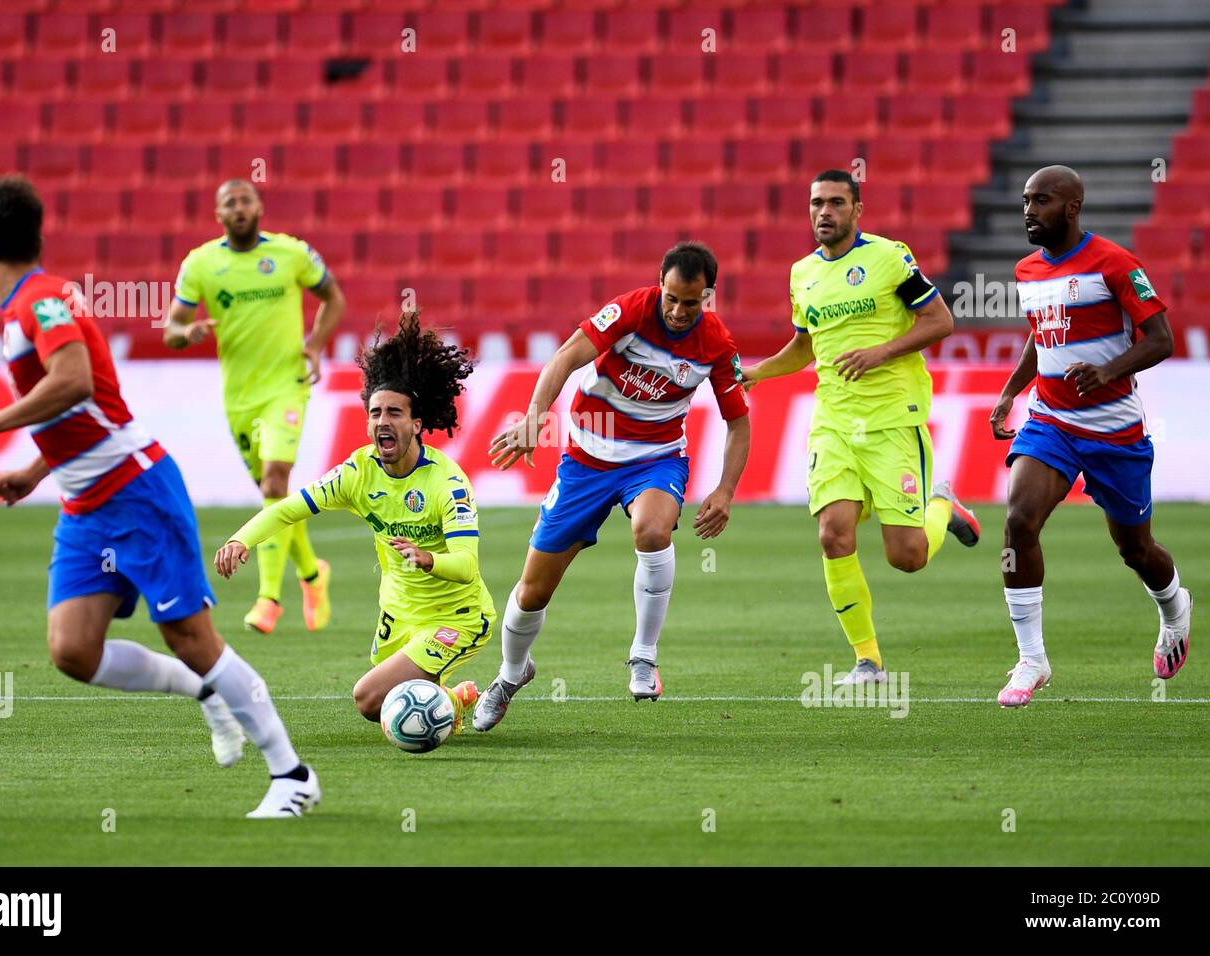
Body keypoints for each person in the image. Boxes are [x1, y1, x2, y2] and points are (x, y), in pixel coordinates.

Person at [0, 175, 318, 818]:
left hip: (136, 492)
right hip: (85, 504)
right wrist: (35, 468)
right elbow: (87, 407)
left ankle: (292, 774)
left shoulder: (43, 301)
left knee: (191, 636)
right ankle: (205, 692)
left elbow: (76, 380)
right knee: (73, 649)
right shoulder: (35, 302)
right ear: (38, 234)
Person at [475, 241, 751, 730]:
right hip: (586, 458)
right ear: (659, 284)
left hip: (655, 459)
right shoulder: (630, 310)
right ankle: (510, 675)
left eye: (691, 302)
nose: (679, 310)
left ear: (707, 296)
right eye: (671, 297)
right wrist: (534, 419)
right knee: (533, 590)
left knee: (651, 531)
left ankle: (644, 655)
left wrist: (725, 490)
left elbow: (738, 423)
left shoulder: (716, 344)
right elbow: (563, 358)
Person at [743, 170, 979, 685]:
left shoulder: (890, 258)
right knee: (833, 534)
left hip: (893, 420)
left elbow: (941, 322)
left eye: (835, 203)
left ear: (857, 210)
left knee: (907, 557)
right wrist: (760, 370)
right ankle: (867, 660)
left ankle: (944, 506)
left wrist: (881, 352)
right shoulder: (801, 273)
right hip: (832, 423)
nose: (823, 212)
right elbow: (805, 346)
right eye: (815, 204)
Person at [215, 310, 490, 732]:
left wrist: (427, 558)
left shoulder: (447, 484)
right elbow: (288, 508)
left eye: (395, 412)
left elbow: (467, 566)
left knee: (368, 698)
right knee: (383, 706)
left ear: (417, 424)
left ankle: (449, 703)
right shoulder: (356, 474)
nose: (383, 421)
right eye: (375, 412)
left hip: (457, 616)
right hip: (399, 613)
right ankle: (454, 698)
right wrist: (241, 540)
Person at [989, 164, 1191, 707]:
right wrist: (1011, 391)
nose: (1029, 211)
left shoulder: (1115, 263)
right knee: (1018, 520)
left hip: (1115, 430)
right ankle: (1031, 660)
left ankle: (1174, 607)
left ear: (1072, 206)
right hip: (1052, 421)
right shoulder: (1028, 270)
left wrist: (1109, 370)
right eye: (1025, 201)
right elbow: (1042, 335)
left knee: (1136, 549)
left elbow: (1161, 338)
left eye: (1042, 200)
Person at [163, 180, 345, 635]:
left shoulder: (291, 254)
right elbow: (171, 327)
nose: (239, 208)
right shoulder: (201, 264)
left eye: (246, 200)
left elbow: (334, 297)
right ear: (218, 214)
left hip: (287, 385)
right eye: (230, 203)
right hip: (239, 398)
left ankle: (268, 599)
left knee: (274, 479)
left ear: (260, 206)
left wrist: (316, 345)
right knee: (275, 497)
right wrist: (187, 335)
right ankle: (311, 573)